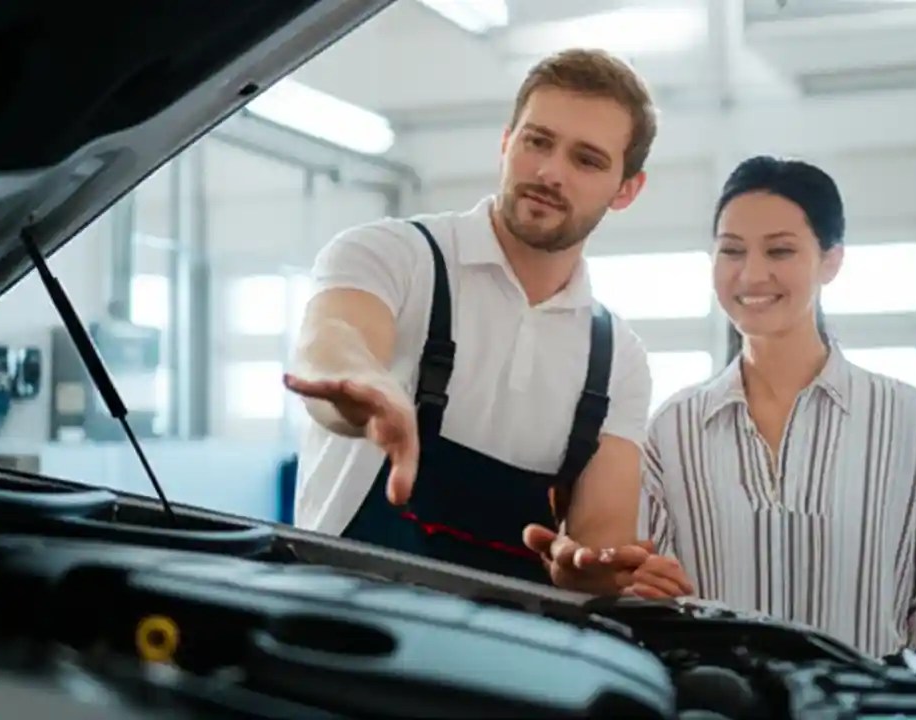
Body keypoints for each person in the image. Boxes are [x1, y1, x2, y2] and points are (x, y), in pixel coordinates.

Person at [283, 48, 671, 595]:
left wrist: (593, 569)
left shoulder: (617, 359)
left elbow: (598, 539)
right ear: (507, 143)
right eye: (538, 141)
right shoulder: (396, 254)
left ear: (627, 189)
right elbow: (336, 337)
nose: (549, 171)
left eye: (586, 159)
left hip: (497, 662)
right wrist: (362, 390)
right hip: (347, 635)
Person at [628, 155, 916, 671]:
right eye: (731, 250)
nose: (751, 273)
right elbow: (650, 600)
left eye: (780, 250)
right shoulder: (673, 426)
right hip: (720, 697)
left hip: (861, 701)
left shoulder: (900, 415)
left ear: (831, 260)